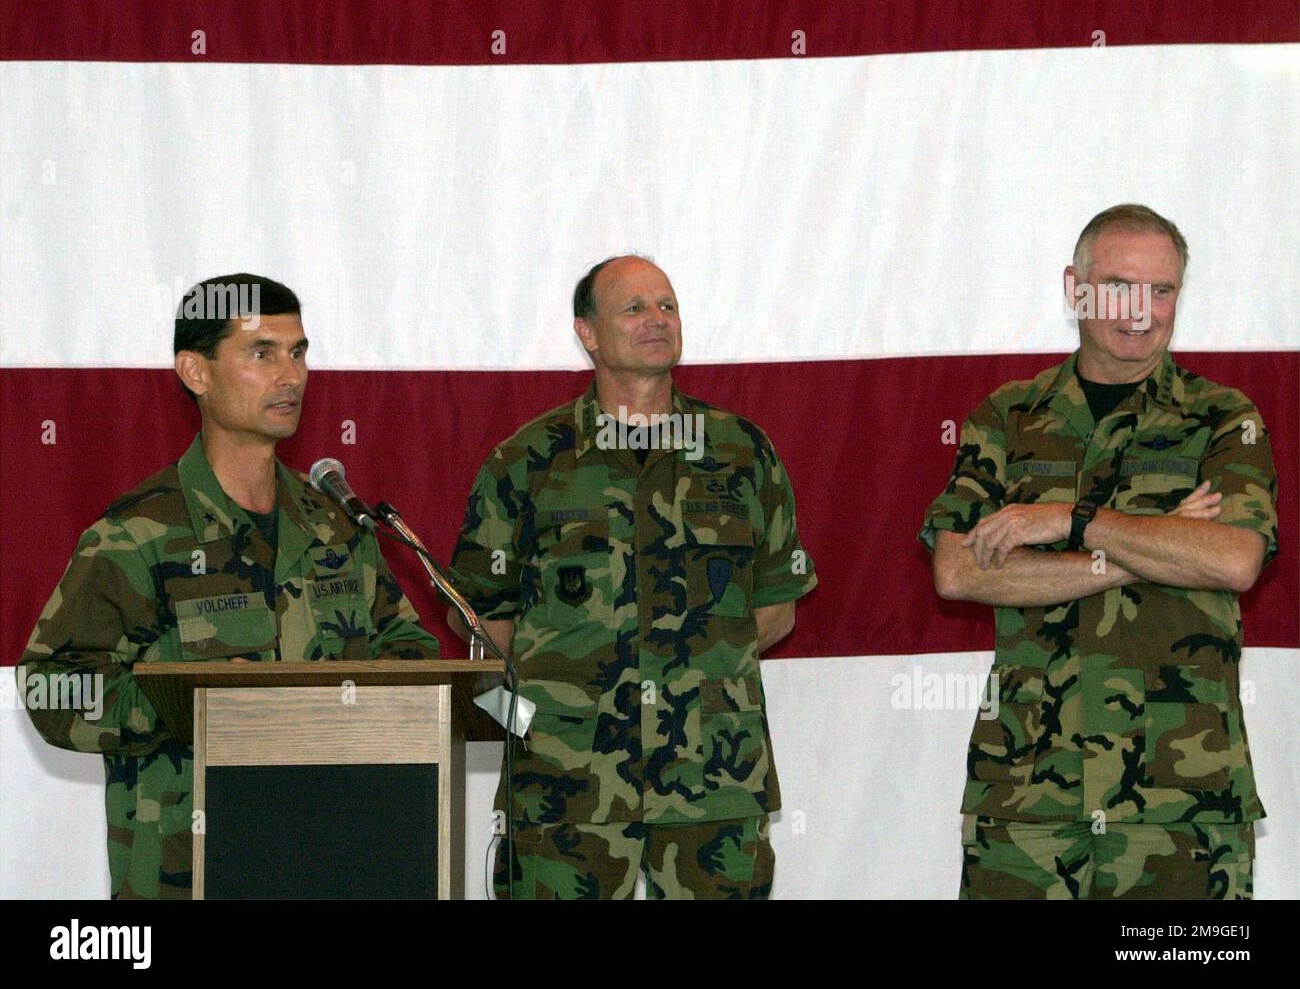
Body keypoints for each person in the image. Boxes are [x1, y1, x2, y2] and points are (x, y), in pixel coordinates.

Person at [18, 273, 440, 899]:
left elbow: (410, 649)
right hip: (193, 868)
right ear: (195, 372)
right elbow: (53, 686)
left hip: (339, 855)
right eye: (261, 353)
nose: (291, 376)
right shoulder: (141, 532)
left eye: (298, 352)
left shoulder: (335, 523)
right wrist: (192, 703)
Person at [919, 205, 1279, 899]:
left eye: (1163, 290)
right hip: (1029, 797)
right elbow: (958, 571)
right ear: (1074, 288)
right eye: (1119, 286)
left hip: (1181, 805)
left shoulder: (1223, 417)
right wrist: (1145, 546)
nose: (1141, 312)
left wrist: (1068, 519)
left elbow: (1233, 559)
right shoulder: (1008, 416)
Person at [446, 255, 816, 899]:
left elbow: (775, 605)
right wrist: (557, 709)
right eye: (634, 308)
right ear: (587, 333)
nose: (657, 320)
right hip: (568, 786)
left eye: (667, 306)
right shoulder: (528, 460)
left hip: (711, 783)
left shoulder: (739, 451)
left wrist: (685, 668)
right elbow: (483, 621)